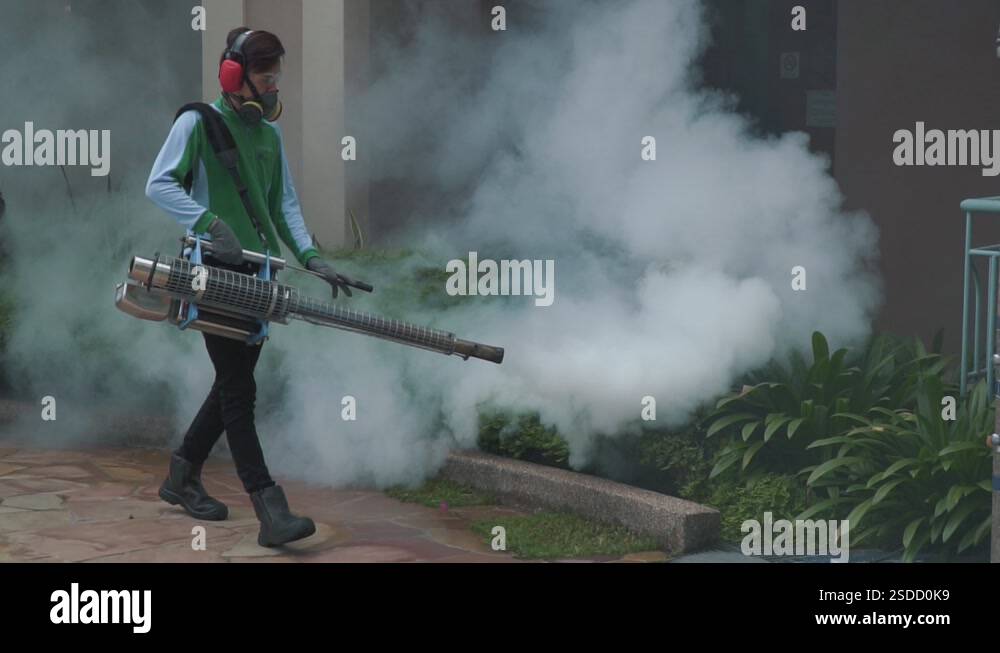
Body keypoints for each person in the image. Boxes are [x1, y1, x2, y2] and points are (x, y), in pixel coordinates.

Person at [145, 27, 352, 547]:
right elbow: (159, 183)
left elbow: (283, 206)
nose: (274, 84)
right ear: (235, 75)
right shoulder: (197, 122)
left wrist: (312, 258)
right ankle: (269, 507)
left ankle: (182, 473)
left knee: (232, 383)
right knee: (240, 388)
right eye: (265, 74)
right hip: (214, 269)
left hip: (261, 274)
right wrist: (211, 223)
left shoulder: (269, 135)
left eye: (277, 74)